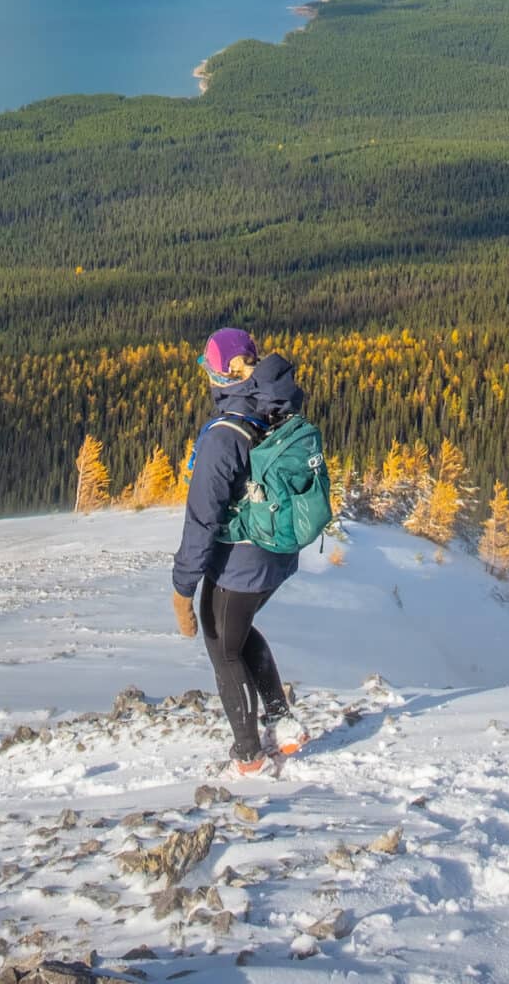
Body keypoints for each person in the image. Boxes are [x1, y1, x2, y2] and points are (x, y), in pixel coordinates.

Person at [171, 326, 310, 774]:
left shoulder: (223, 435)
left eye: (211, 367)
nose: (208, 376)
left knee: (221, 644)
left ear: (228, 372)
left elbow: (202, 518)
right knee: (240, 631)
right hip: (278, 552)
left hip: (241, 562)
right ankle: (282, 722)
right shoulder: (274, 406)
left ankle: (249, 753)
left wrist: (182, 588)